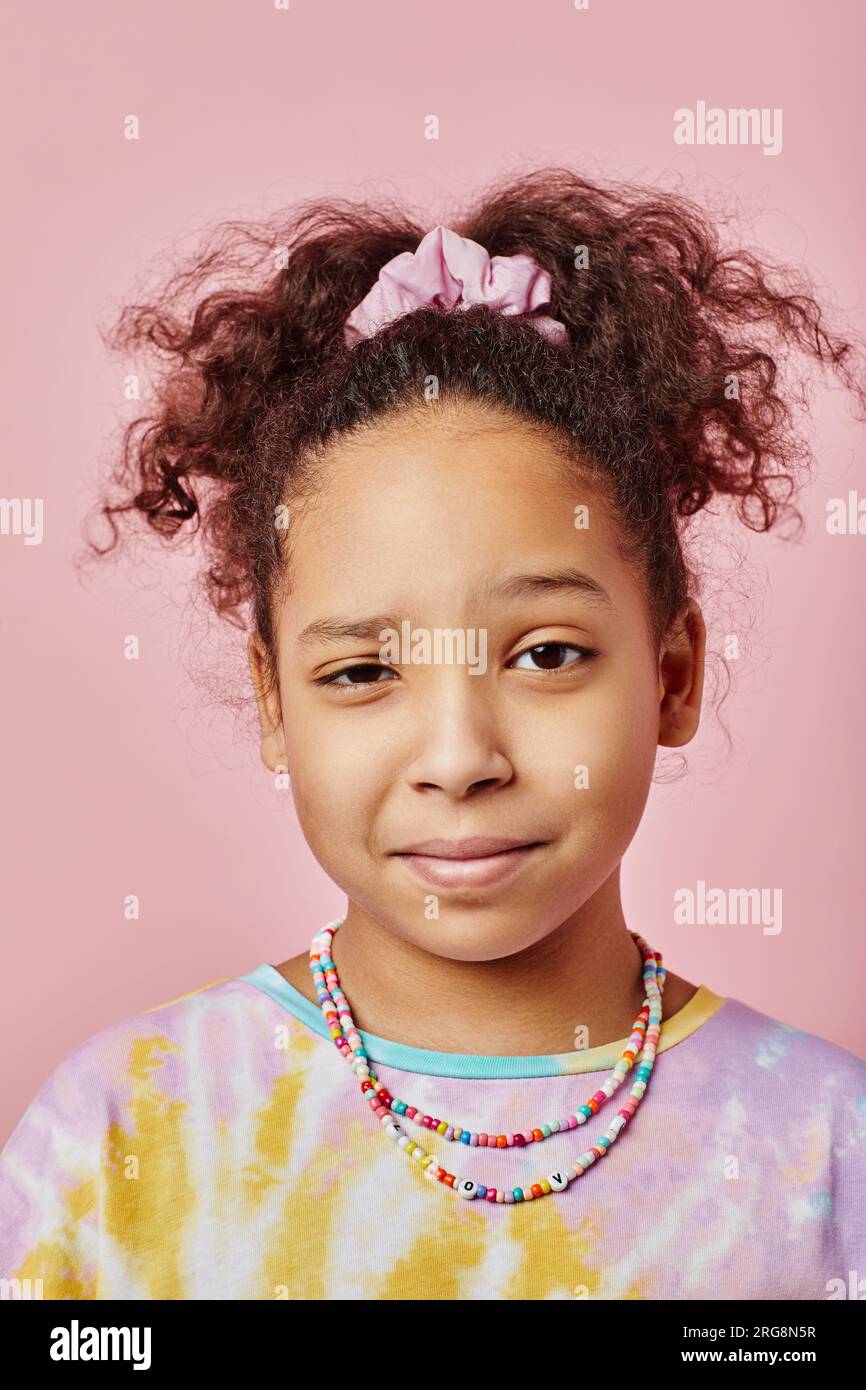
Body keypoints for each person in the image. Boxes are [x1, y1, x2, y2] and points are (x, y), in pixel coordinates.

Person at [1, 169, 864, 1300]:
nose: (458, 760)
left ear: (671, 673)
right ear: (274, 703)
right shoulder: (115, 1139)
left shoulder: (825, 1155)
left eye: (544, 653)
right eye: (362, 671)